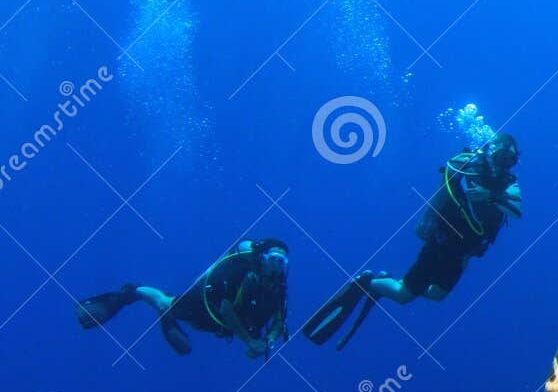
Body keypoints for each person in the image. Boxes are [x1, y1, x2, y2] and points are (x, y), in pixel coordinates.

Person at [303, 132, 522, 349]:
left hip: (464, 251)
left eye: (511, 160)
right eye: (502, 156)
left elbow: (516, 211)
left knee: (437, 295)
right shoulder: (465, 166)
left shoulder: (509, 183)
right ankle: (368, 283)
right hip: (442, 242)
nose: (505, 164)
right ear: (491, 150)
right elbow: (442, 192)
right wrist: (427, 219)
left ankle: (388, 282)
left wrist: (491, 196)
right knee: (404, 296)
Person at [75, 238, 290, 358]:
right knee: (165, 303)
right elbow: (226, 309)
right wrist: (250, 341)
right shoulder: (242, 274)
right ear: (262, 258)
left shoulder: (278, 287)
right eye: (274, 259)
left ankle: (163, 314)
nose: (277, 267)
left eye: (283, 263)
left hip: (220, 326)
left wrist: (267, 342)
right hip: (202, 305)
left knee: (180, 322)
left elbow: (280, 320)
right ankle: (131, 293)